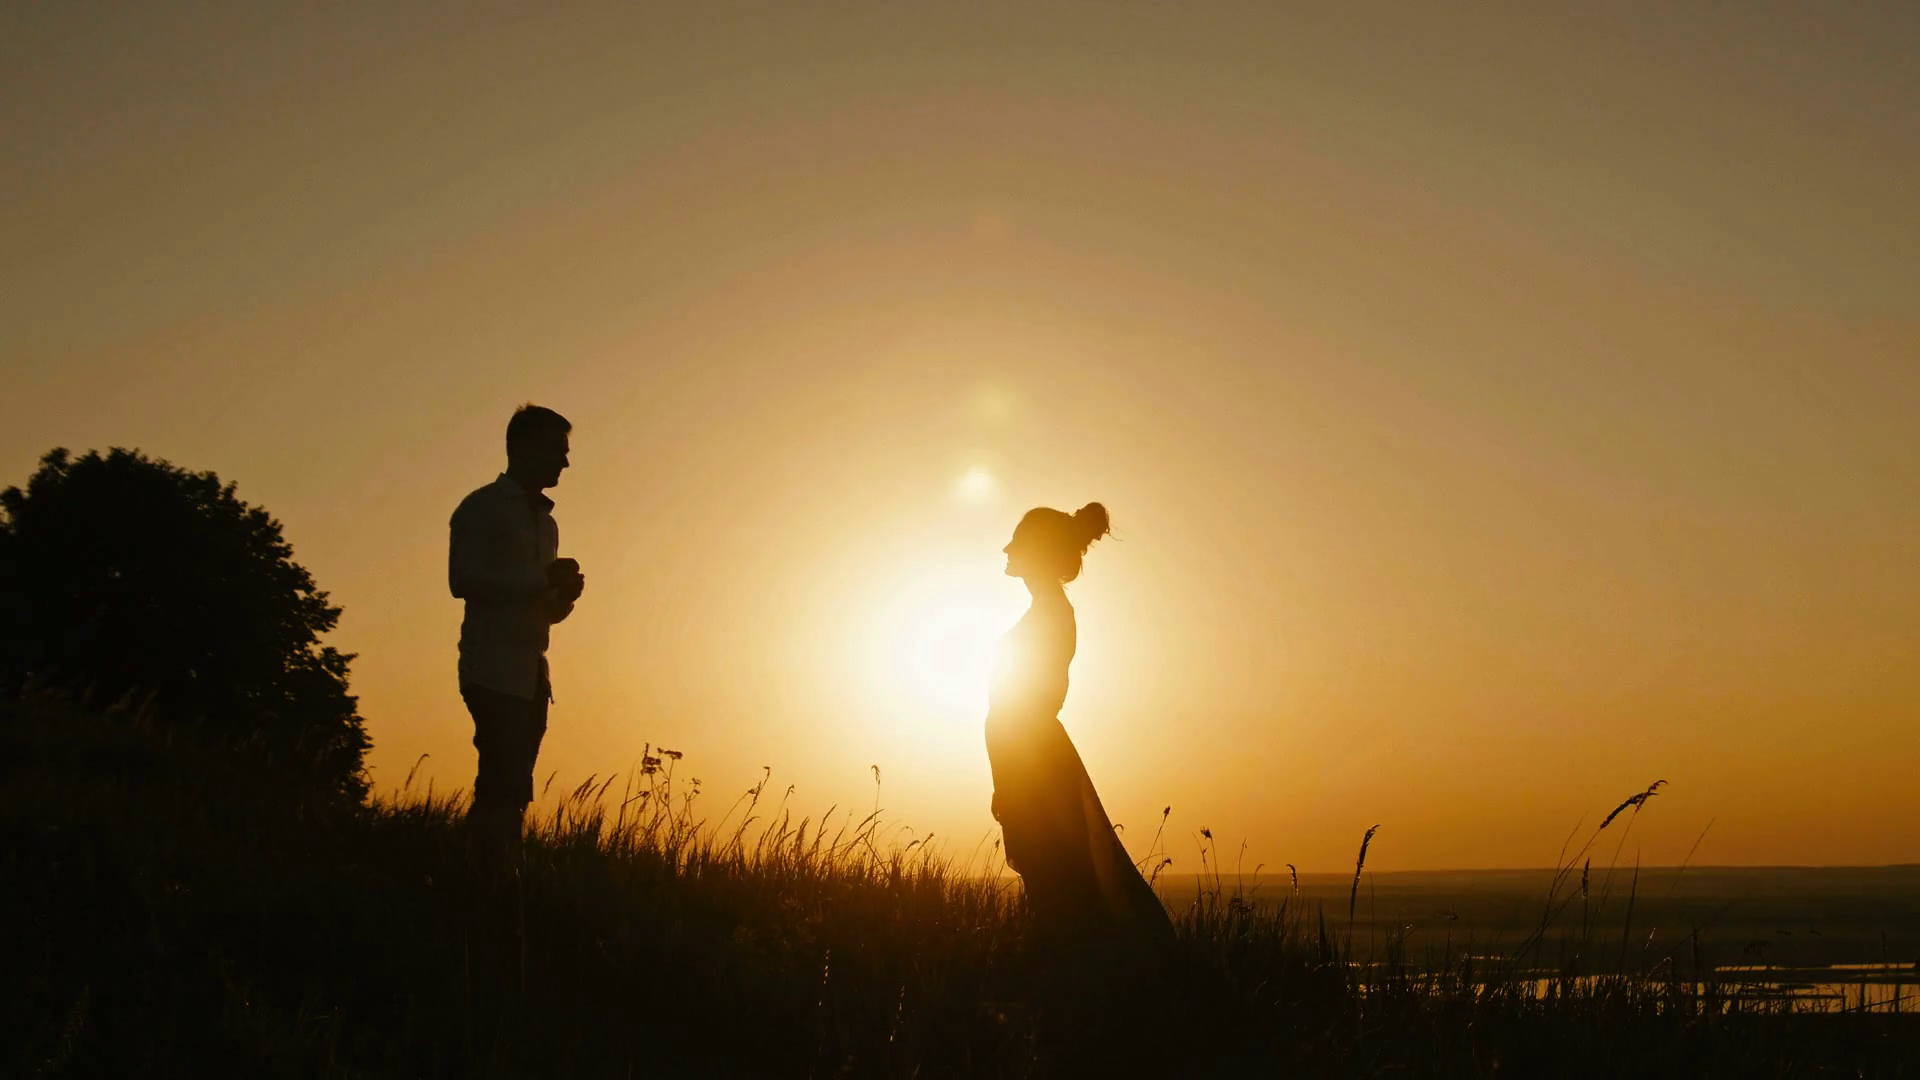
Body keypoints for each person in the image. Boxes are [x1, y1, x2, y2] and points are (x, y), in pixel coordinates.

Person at [986, 502, 1173, 942]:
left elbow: (1037, 699)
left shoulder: (1051, 614)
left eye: (1019, 542)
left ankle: (1077, 976)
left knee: (1057, 872)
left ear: (1039, 551)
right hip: (1030, 754)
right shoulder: (1047, 611)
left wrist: (1013, 770)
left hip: (1034, 759)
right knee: (1054, 870)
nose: (1007, 550)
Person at [449, 404, 585, 861]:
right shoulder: (480, 508)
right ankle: (483, 874)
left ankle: (499, 873)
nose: (565, 462)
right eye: (557, 451)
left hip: (531, 672)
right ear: (525, 448)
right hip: (491, 668)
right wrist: (541, 580)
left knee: (515, 783)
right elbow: (462, 580)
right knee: (502, 779)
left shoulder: (547, 524)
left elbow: (542, 613)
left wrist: (563, 598)